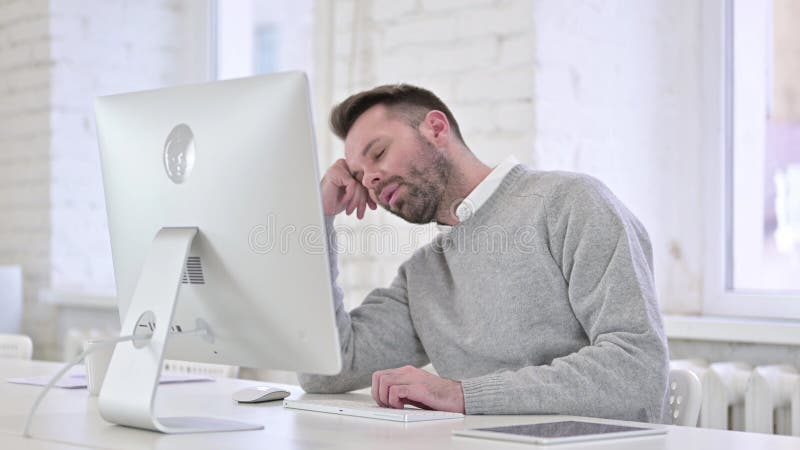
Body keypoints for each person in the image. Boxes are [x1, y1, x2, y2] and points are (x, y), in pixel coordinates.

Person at [297, 84, 669, 423]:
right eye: (360, 177)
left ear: (436, 129)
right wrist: (321, 217)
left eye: (378, 152)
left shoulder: (571, 203)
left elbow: (637, 369)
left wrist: (462, 394)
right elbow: (326, 370)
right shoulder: (424, 276)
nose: (371, 181)